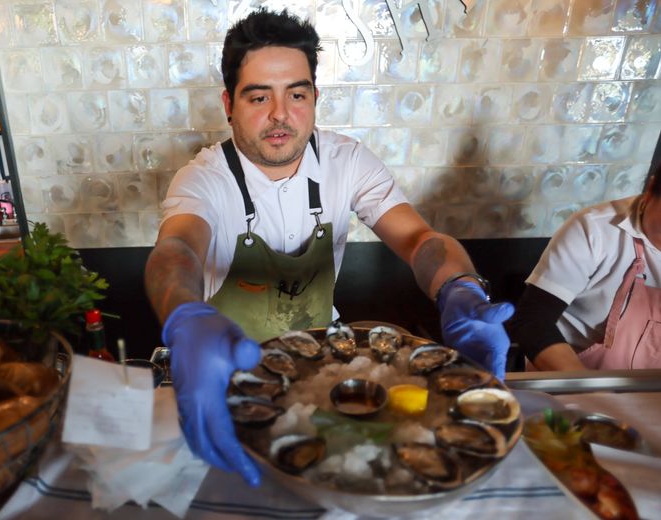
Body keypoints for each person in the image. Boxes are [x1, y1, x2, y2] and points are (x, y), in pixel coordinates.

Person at [144, 9, 514, 487]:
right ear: (229, 104)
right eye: (259, 97)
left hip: (322, 372)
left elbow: (420, 240)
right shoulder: (204, 178)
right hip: (227, 373)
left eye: (297, 94)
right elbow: (177, 250)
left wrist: (460, 287)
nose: (280, 114)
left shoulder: (347, 161)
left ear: (315, 97)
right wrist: (185, 318)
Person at [507, 162, 661, 371]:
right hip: (571, 380)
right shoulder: (594, 228)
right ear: (651, 190)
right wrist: (585, 385)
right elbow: (532, 322)